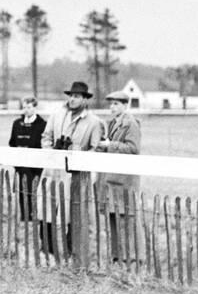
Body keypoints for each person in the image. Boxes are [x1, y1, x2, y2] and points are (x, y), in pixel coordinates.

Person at [38, 81, 105, 257]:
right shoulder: (57, 115)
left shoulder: (94, 122)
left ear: (85, 99)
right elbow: (46, 137)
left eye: (77, 96)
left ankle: (71, 248)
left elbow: (96, 148)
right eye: (71, 96)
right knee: (47, 206)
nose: (73, 100)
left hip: (75, 174)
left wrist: (79, 155)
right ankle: (47, 246)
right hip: (53, 169)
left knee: (72, 210)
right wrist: (51, 151)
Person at [94, 90, 142, 262]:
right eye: (111, 104)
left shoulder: (131, 124)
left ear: (124, 105)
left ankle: (133, 257)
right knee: (113, 216)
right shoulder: (112, 123)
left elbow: (133, 148)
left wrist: (109, 145)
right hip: (112, 178)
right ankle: (117, 256)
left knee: (126, 219)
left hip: (124, 179)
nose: (112, 107)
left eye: (116, 104)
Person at [7, 96, 46, 220]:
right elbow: (12, 142)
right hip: (21, 162)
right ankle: (25, 214)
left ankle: (36, 213)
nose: (26, 110)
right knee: (23, 188)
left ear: (35, 108)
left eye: (29, 107)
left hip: (36, 163)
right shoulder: (17, 123)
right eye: (24, 107)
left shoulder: (42, 124)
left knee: (36, 189)